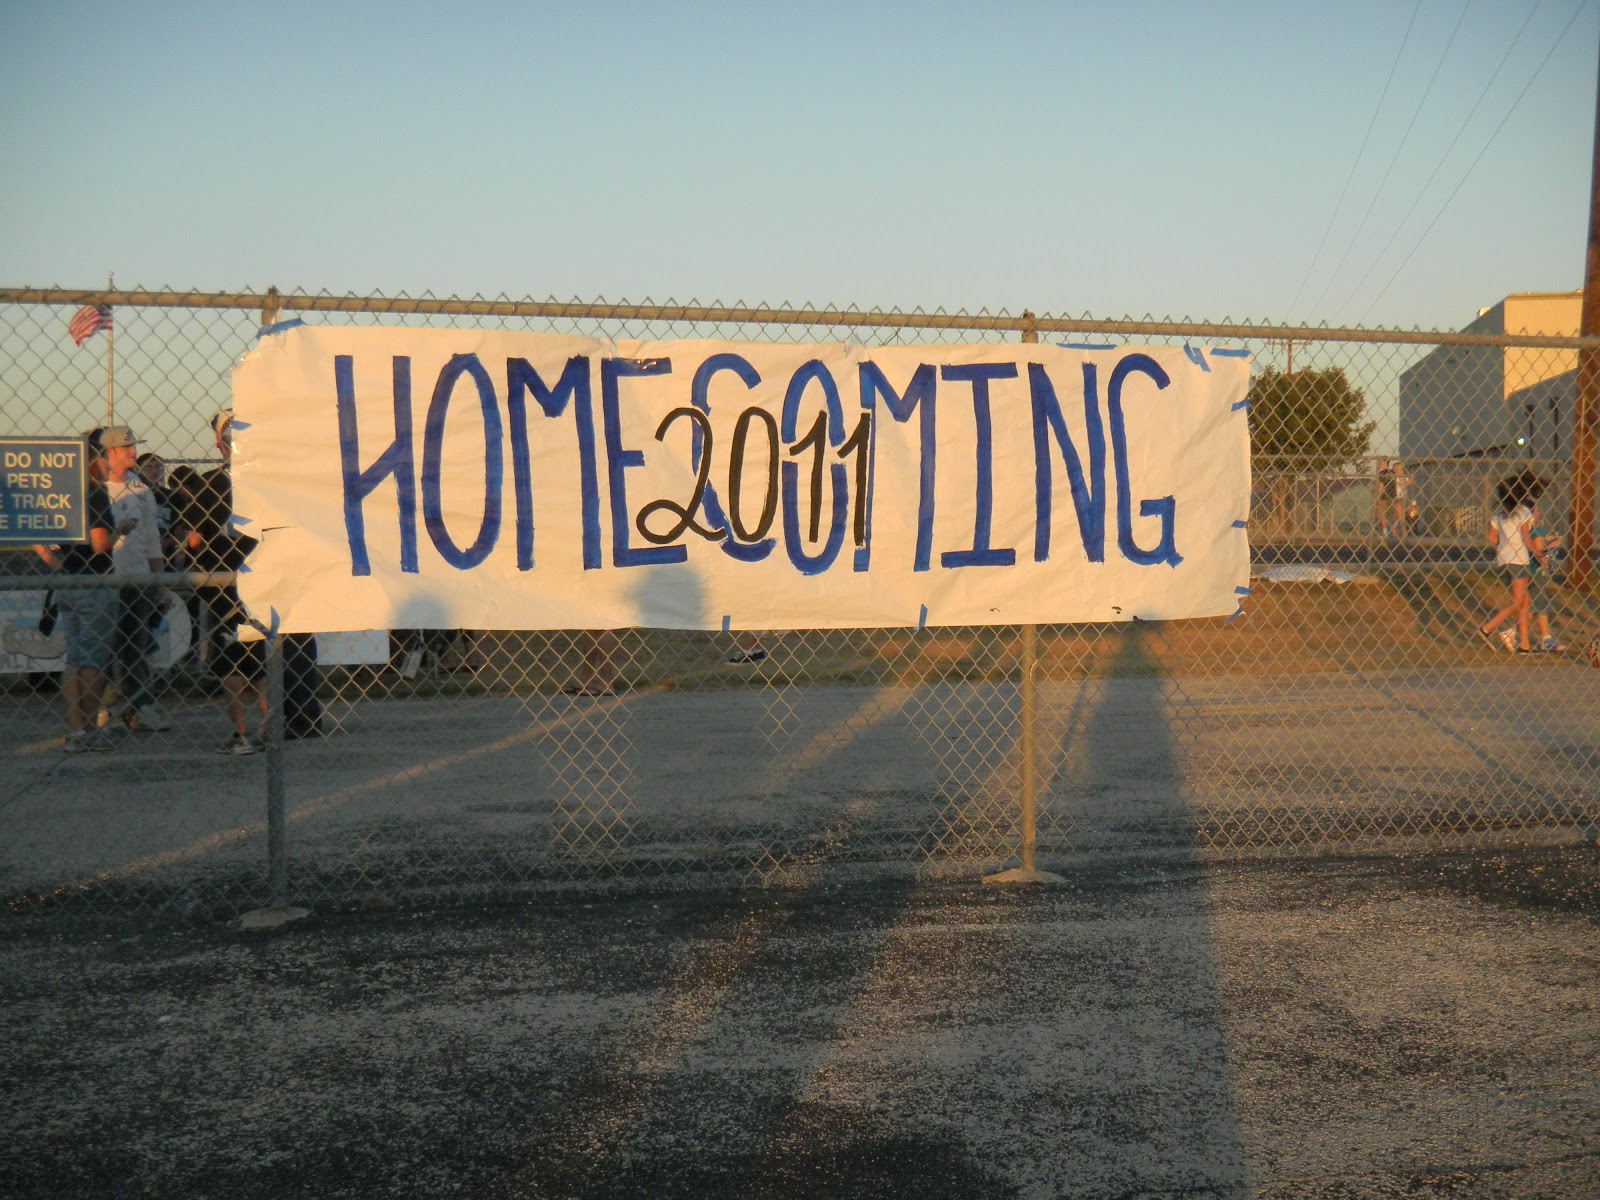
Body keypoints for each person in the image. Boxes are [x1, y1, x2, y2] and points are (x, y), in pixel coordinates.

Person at [184, 408, 324, 751]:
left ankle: (255, 729)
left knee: (249, 657)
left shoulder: (245, 482)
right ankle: (272, 724)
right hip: (247, 579)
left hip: (243, 580)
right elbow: (194, 539)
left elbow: (192, 541)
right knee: (260, 655)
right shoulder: (247, 482)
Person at [31, 428, 120, 752]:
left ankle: (76, 730)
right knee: (94, 660)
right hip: (94, 582)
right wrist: (120, 530)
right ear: (95, 458)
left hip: (68, 581)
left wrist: (60, 566)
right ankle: (90, 729)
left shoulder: (63, 492)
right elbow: (99, 545)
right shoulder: (93, 493)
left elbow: (39, 540)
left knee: (75, 658)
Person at [100, 426, 173, 732]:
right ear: (111, 452)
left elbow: (152, 539)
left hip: (139, 578)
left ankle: (140, 707)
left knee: (136, 646)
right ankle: (101, 708)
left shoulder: (141, 489)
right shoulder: (98, 489)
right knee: (103, 646)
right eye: (127, 448)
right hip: (106, 580)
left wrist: (159, 582)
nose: (133, 452)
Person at [1478, 470, 1546, 653]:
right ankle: (1487, 628)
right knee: (1517, 602)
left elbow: (1491, 537)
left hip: (1504, 559)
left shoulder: (1500, 513)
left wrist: (1504, 545)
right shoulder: (1523, 512)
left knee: (1524, 603)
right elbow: (1526, 537)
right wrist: (1540, 555)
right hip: (1518, 559)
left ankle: (1524, 645)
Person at [1526, 508, 1564, 653]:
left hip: (1530, 570)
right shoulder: (1535, 530)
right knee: (1538, 604)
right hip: (1537, 571)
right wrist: (1548, 557)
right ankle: (1511, 631)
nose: (1539, 513)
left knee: (1540, 604)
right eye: (1536, 511)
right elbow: (1539, 551)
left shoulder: (1526, 530)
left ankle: (1546, 638)